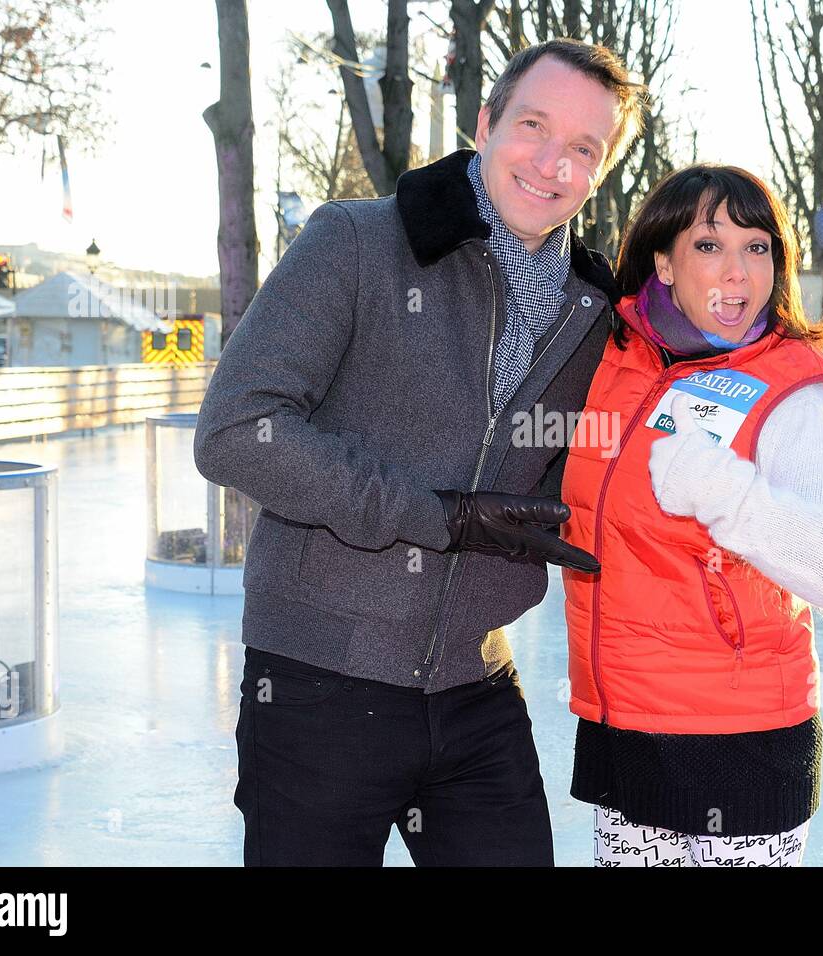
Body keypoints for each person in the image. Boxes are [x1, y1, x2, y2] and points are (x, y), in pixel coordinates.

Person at [193, 38, 646, 866]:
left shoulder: (594, 309)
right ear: (484, 122)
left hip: (476, 688)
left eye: (584, 148)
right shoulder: (359, 243)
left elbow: (597, 469)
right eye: (533, 126)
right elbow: (236, 430)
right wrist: (430, 515)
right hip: (315, 680)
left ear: (602, 169)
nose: (552, 163)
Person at [559, 164, 823, 867]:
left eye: (757, 246)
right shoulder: (614, 360)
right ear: (663, 264)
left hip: (738, 741)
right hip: (623, 726)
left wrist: (727, 493)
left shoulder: (791, 390)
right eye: (709, 246)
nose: (737, 271)